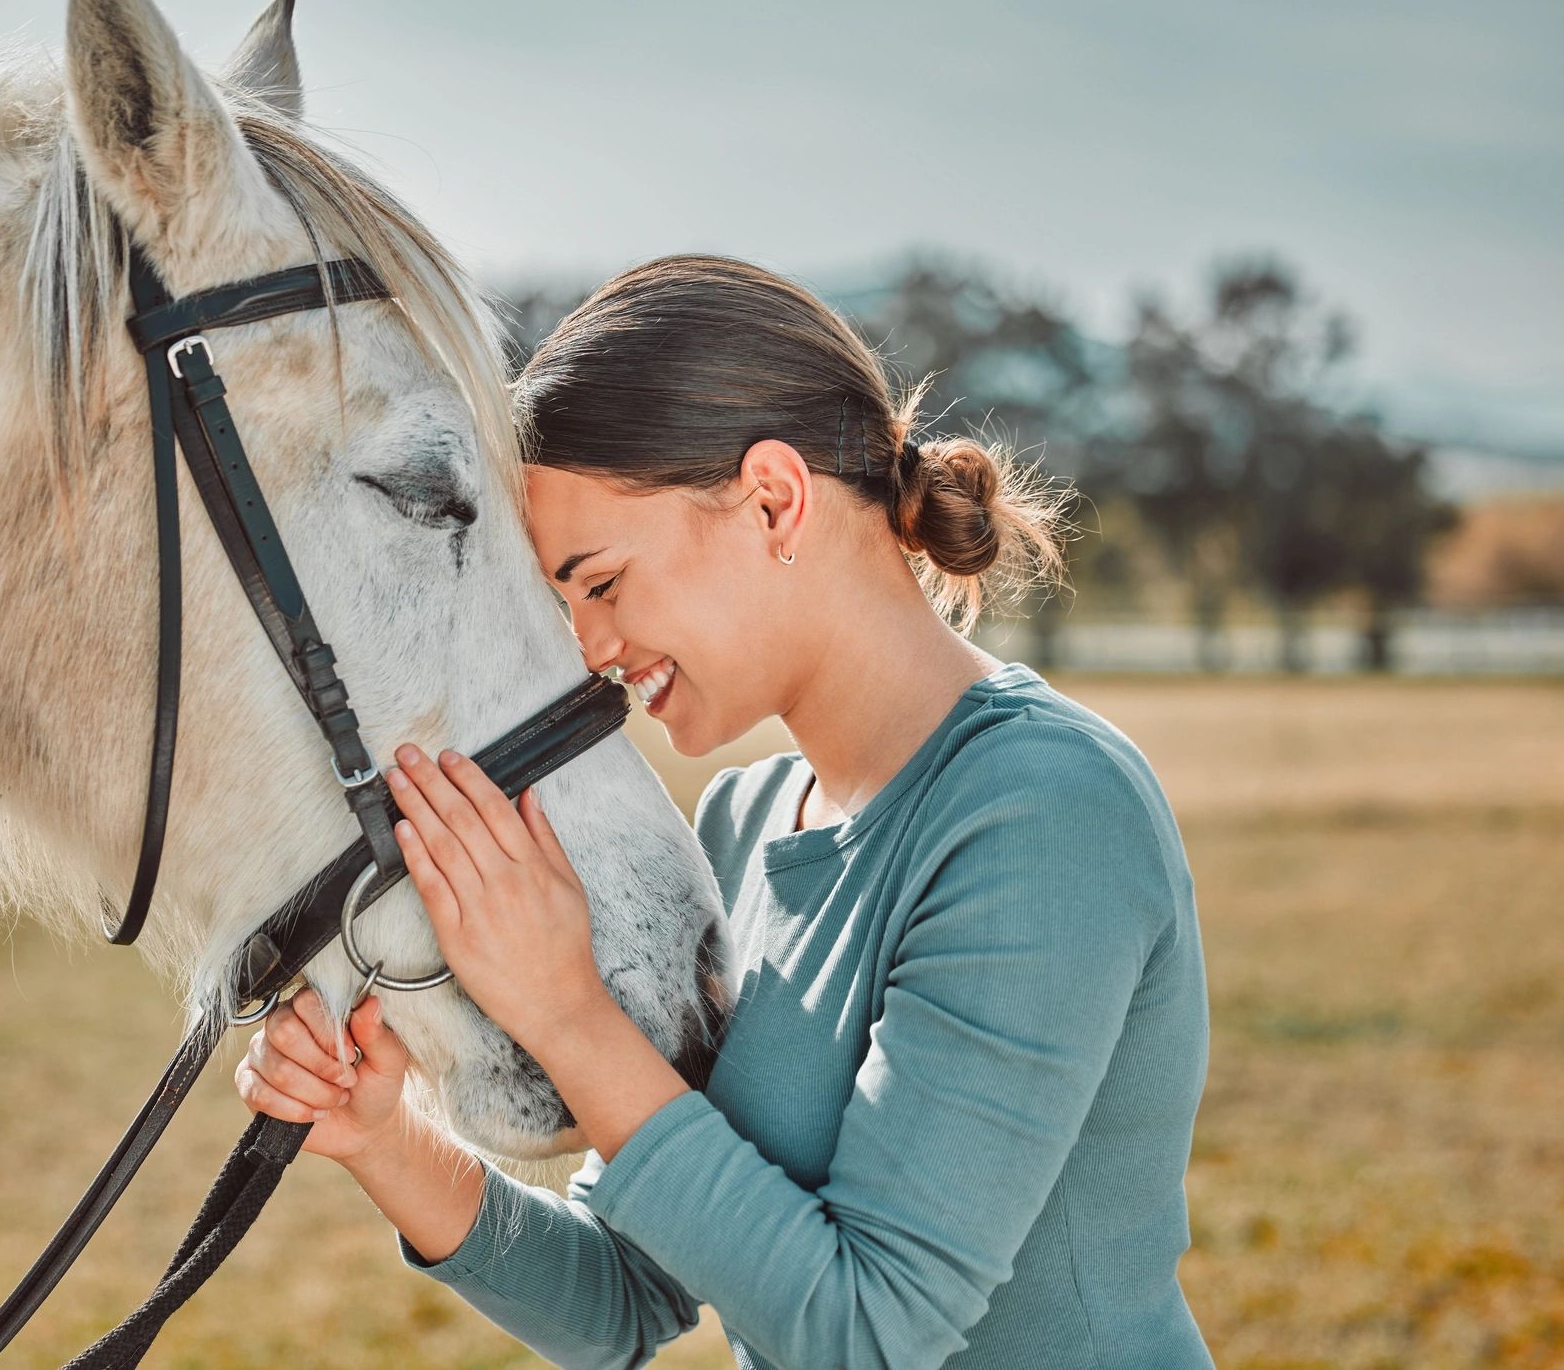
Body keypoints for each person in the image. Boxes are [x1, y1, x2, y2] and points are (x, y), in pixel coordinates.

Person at [233, 254, 1212, 1369]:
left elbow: (866, 1330)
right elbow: (625, 1296)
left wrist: (566, 1013)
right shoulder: (747, 823)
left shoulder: (1043, 810)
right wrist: (384, 1141)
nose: (588, 651)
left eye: (601, 584)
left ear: (772, 500)